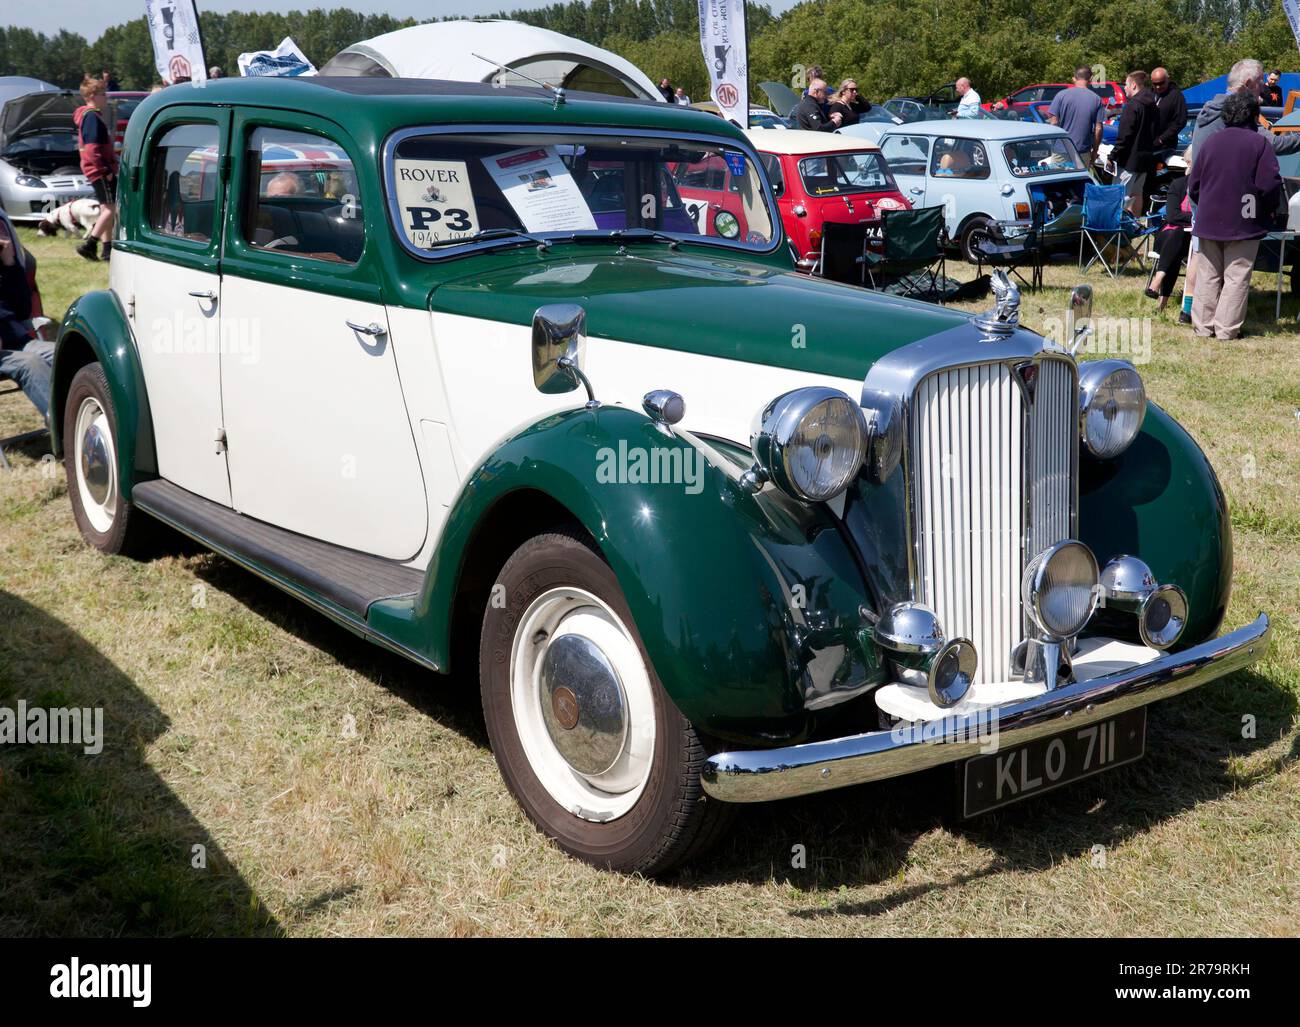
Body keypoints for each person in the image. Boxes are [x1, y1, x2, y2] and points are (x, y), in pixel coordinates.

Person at [1188, 93, 1283, 340]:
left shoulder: (1211, 142)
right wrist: (1270, 209)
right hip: (1245, 217)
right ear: (1252, 115)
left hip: (1210, 216)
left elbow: (1194, 184)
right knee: (1236, 276)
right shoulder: (1258, 143)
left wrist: (1207, 204)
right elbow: (1269, 184)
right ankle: (1226, 329)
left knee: (1208, 274)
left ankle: (1203, 326)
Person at [0, 218, 53, 422]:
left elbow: (23, 310)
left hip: (19, 342)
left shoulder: (4, 267)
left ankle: (83, 418)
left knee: (65, 354)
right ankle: (64, 428)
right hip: (7, 352)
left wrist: (9, 262)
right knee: (31, 363)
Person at [1192, 59, 1300, 156]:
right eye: (1260, 81)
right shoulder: (1237, 113)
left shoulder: (1208, 111)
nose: (1263, 88)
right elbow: (1276, 144)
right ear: (1248, 84)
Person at [73, 75, 118, 262]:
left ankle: (107, 250)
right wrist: (106, 170)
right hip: (99, 170)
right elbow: (92, 149)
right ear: (92, 95)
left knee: (105, 208)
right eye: (102, 93)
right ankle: (90, 244)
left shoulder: (91, 116)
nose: (106, 97)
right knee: (111, 208)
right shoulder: (91, 117)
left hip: (96, 169)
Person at [1145, 145, 1193, 311]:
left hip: (1192, 240)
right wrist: (1194, 218)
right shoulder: (1178, 185)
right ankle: (1160, 292)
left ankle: (1158, 281)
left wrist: (1188, 218)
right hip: (1168, 235)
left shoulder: (1207, 188)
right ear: (1188, 163)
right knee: (1176, 236)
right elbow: (1172, 216)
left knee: (1178, 240)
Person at [1110, 71, 1158, 215]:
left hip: (1129, 160)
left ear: (1134, 85)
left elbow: (1125, 136)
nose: (1124, 88)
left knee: (1119, 196)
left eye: (1126, 84)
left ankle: (1116, 229)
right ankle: (1134, 223)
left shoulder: (1133, 105)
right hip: (1145, 158)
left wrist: (1113, 156)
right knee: (1137, 194)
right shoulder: (1153, 104)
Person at [1047, 66, 1105, 166]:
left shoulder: (1061, 95)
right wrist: (1095, 151)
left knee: (1058, 180)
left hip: (1061, 149)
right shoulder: (1096, 99)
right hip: (1083, 151)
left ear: (1074, 78)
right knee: (1079, 181)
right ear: (1090, 79)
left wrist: (1052, 144)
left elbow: (1054, 122)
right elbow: (1098, 129)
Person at [1150, 68, 1187, 152]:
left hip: (1165, 146)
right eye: (1155, 84)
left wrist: (1161, 139)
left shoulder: (1176, 96)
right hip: (1149, 145)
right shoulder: (1150, 94)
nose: (1158, 87)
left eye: (1161, 83)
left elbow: (1180, 121)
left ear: (1168, 79)